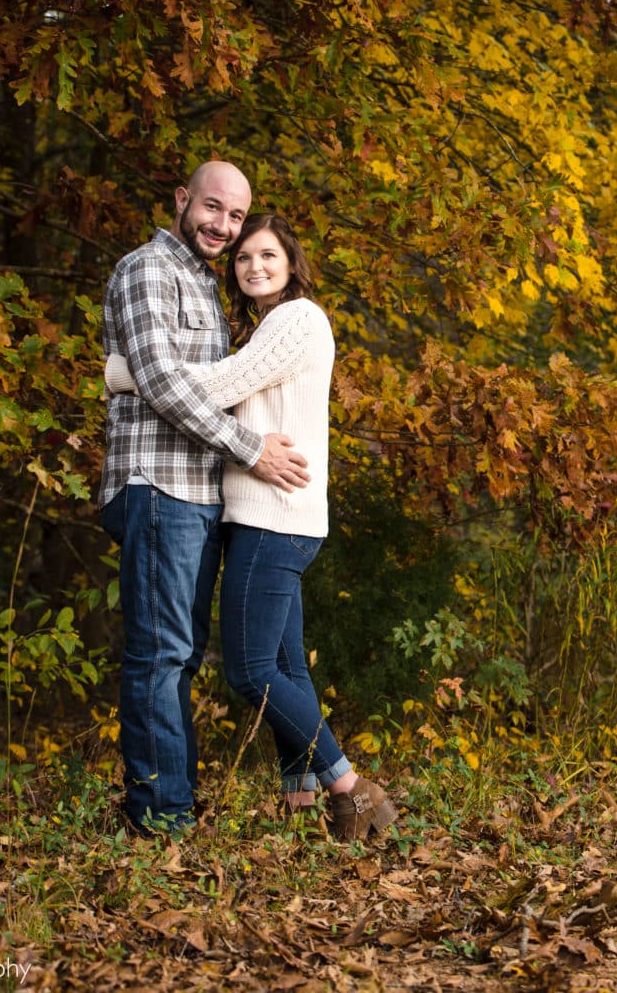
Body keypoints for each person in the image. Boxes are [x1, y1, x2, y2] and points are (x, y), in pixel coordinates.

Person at [106, 213, 399, 843]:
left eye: (268, 255)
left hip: (273, 519)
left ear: (291, 261)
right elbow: (229, 385)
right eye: (242, 259)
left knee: (250, 670)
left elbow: (219, 385)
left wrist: (127, 374)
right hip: (269, 519)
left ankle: (350, 787)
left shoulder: (298, 319)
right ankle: (300, 802)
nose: (254, 266)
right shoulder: (265, 329)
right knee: (288, 668)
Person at [99, 162, 311, 835]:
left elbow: (203, 381)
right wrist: (250, 449)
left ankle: (175, 801)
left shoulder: (205, 285)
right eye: (212, 209)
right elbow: (164, 380)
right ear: (182, 201)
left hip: (199, 495)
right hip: (158, 485)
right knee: (160, 654)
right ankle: (161, 815)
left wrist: (122, 376)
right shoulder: (147, 271)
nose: (222, 225)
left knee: (181, 654)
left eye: (236, 216)